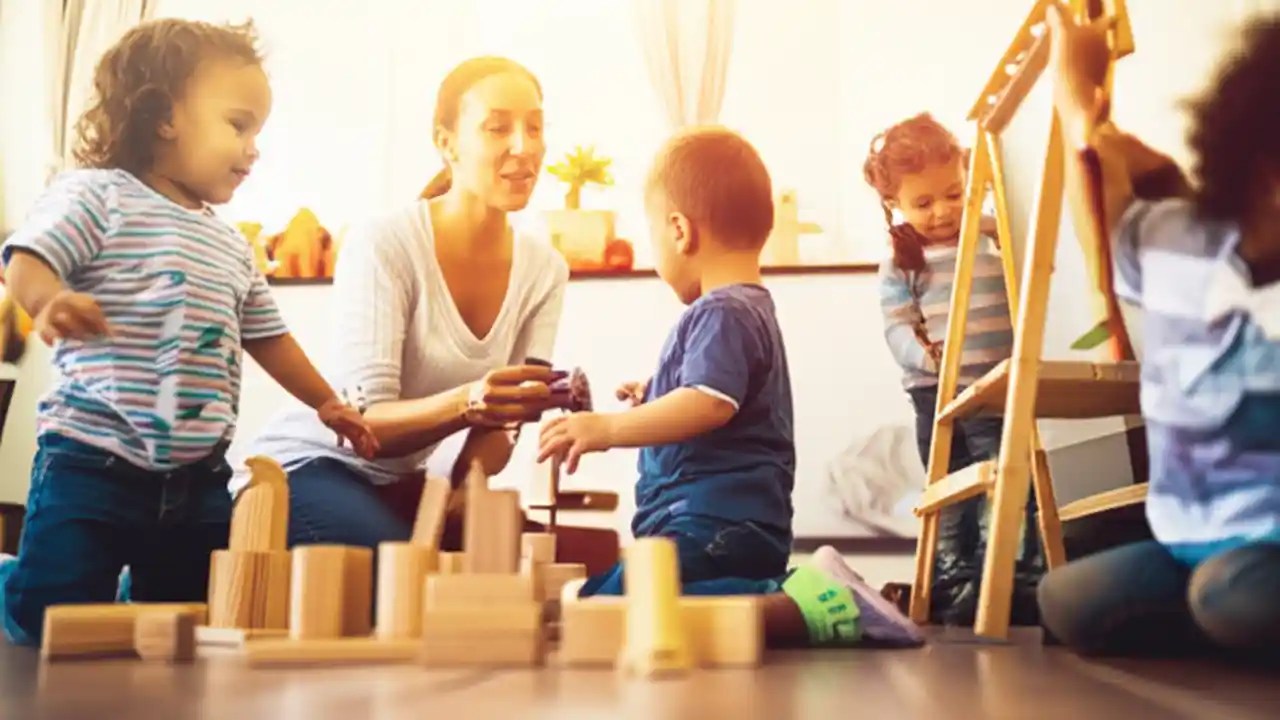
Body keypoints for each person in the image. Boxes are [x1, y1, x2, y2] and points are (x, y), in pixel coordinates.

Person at [0, 19, 377, 646]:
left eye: (258, 129)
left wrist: (327, 403)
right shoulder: (98, 196)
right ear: (163, 117)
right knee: (52, 621)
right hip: (92, 459)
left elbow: (270, 338)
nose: (253, 147)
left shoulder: (231, 244)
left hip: (197, 475)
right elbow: (25, 258)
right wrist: (50, 300)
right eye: (238, 124)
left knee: (182, 624)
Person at [537, 126, 923, 648]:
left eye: (652, 237)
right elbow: (716, 395)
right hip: (724, 530)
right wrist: (656, 392)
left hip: (712, 526)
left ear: (679, 231)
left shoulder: (723, 312)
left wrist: (607, 427)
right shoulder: (744, 309)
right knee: (606, 602)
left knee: (619, 607)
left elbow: (709, 404)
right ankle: (792, 596)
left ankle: (805, 602)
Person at [240, 56, 569, 551]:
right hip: (315, 465)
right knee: (395, 575)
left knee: (503, 568)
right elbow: (365, 425)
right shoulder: (384, 242)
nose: (524, 147)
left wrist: (460, 491)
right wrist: (470, 402)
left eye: (535, 127)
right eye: (498, 127)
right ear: (446, 142)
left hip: (405, 483)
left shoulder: (546, 270)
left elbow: (504, 427)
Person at [1036, 5, 1280, 658]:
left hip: (1263, 548)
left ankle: (1222, 613)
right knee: (1065, 599)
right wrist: (1075, 96)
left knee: (1233, 598)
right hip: (1190, 543)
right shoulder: (1180, 241)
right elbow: (1104, 186)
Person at [863, 113, 1042, 625]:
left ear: (969, 180)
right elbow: (896, 325)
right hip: (936, 390)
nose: (942, 211)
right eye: (922, 203)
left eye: (954, 194)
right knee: (948, 483)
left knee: (1005, 479)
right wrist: (926, 357)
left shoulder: (992, 237)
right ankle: (951, 575)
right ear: (894, 204)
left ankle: (1004, 569)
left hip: (996, 386)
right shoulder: (902, 260)